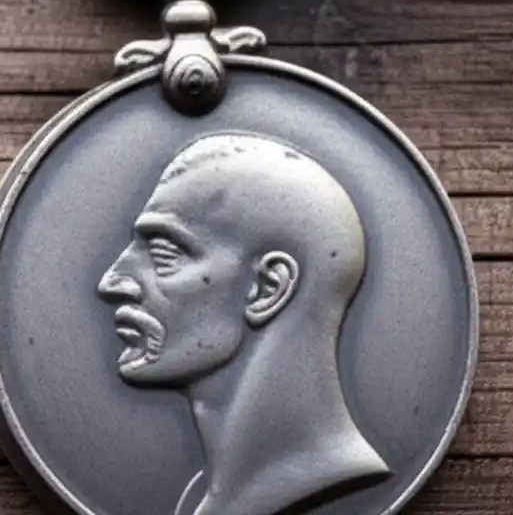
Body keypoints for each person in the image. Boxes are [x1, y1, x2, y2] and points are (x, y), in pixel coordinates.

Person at [97, 133, 390, 515]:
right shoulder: (201, 499)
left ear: (267, 289)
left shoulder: (316, 484)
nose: (110, 282)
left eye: (165, 254)